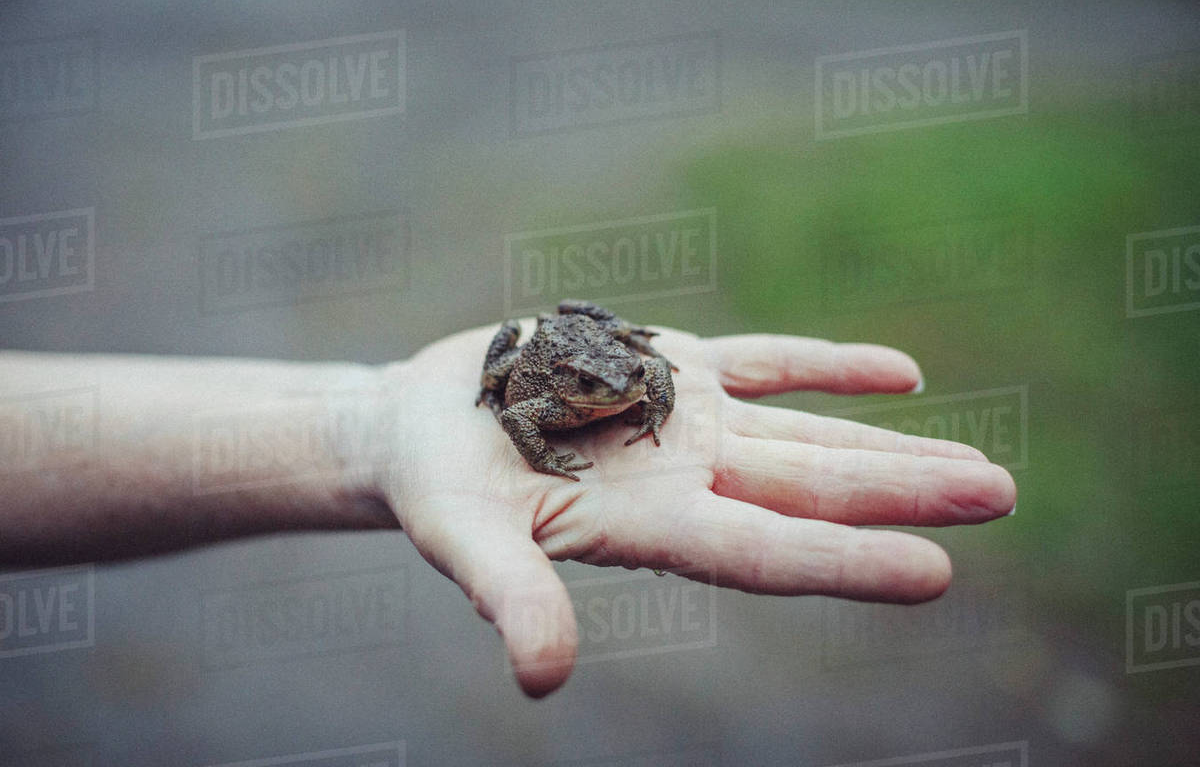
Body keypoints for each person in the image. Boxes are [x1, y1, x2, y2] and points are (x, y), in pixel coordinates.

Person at [0, 318, 1015, 697]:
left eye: (623, 380)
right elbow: (522, 419)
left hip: (582, 334)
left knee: (625, 360)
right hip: (532, 350)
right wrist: (436, 418)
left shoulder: (627, 374)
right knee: (501, 370)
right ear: (571, 384)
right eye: (601, 386)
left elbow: (650, 373)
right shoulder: (544, 393)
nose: (619, 392)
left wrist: (649, 406)